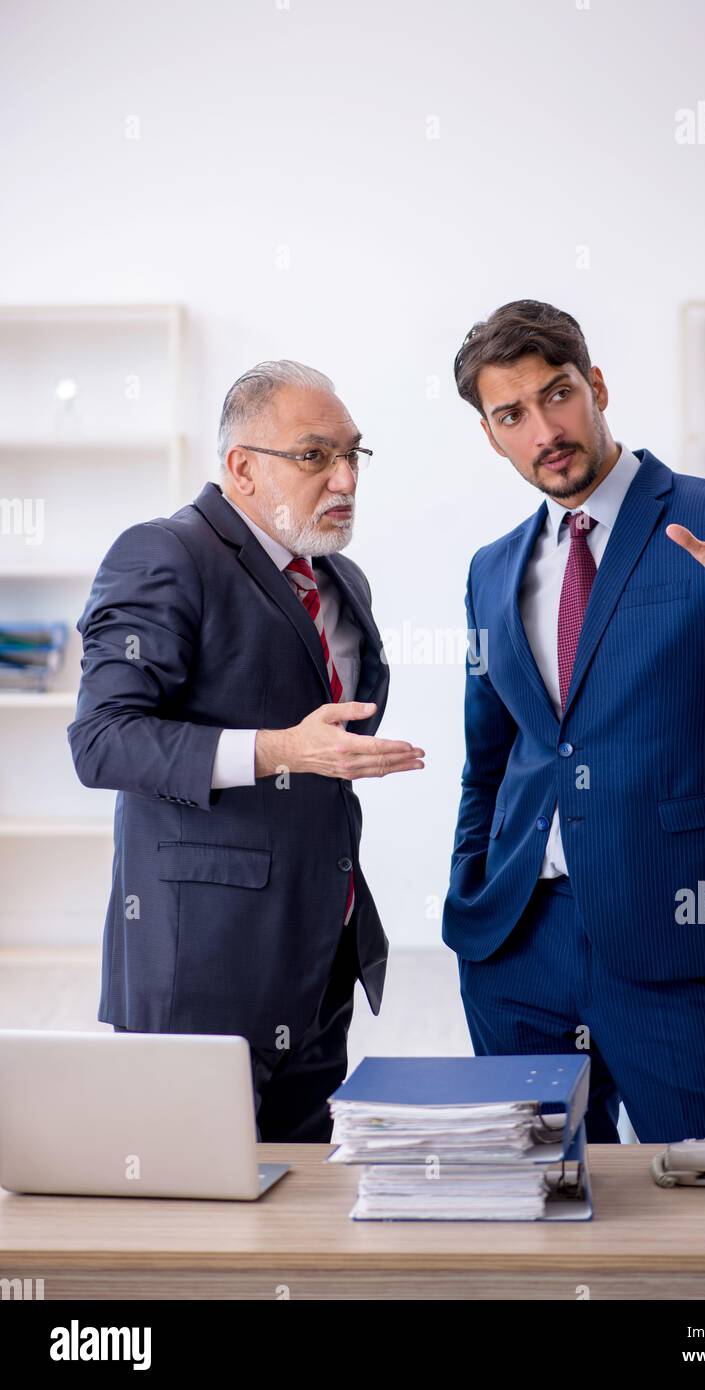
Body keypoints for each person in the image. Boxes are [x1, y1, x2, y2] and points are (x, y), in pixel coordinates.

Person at [443, 300, 705, 1143]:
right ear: (491, 435)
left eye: (556, 394)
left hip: (680, 927)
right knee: (535, 1211)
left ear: (595, 386)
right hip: (517, 944)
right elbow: (490, 759)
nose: (543, 430)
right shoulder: (493, 570)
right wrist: (470, 892)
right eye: (511, 415)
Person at [68, 359, 424, 1141]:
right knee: (192, 1232)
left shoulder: (341, 580)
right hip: (201, 975)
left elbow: (326, 744)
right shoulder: (164, 554)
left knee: (300, 1223)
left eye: (351, 455)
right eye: (313, 455)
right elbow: (102, 741)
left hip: (318, 963)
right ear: (241, 467)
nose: (343, 479)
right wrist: (277, 751)